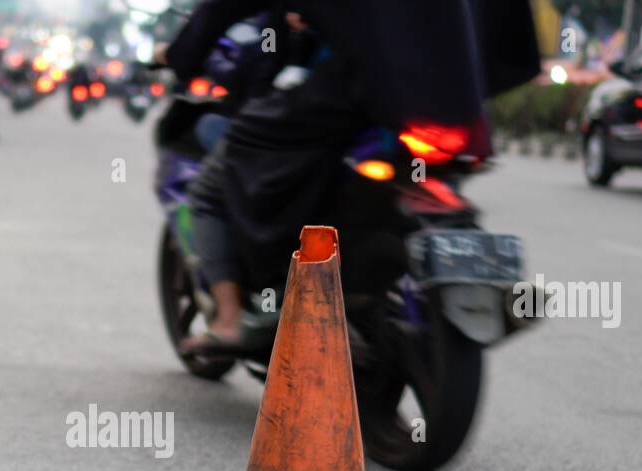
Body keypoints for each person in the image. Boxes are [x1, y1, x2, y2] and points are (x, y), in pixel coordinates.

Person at [160, 0, 541, 356]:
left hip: (374, 92)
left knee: (221, 172)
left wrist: (181, 54)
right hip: (459, 106)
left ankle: (229, 320)